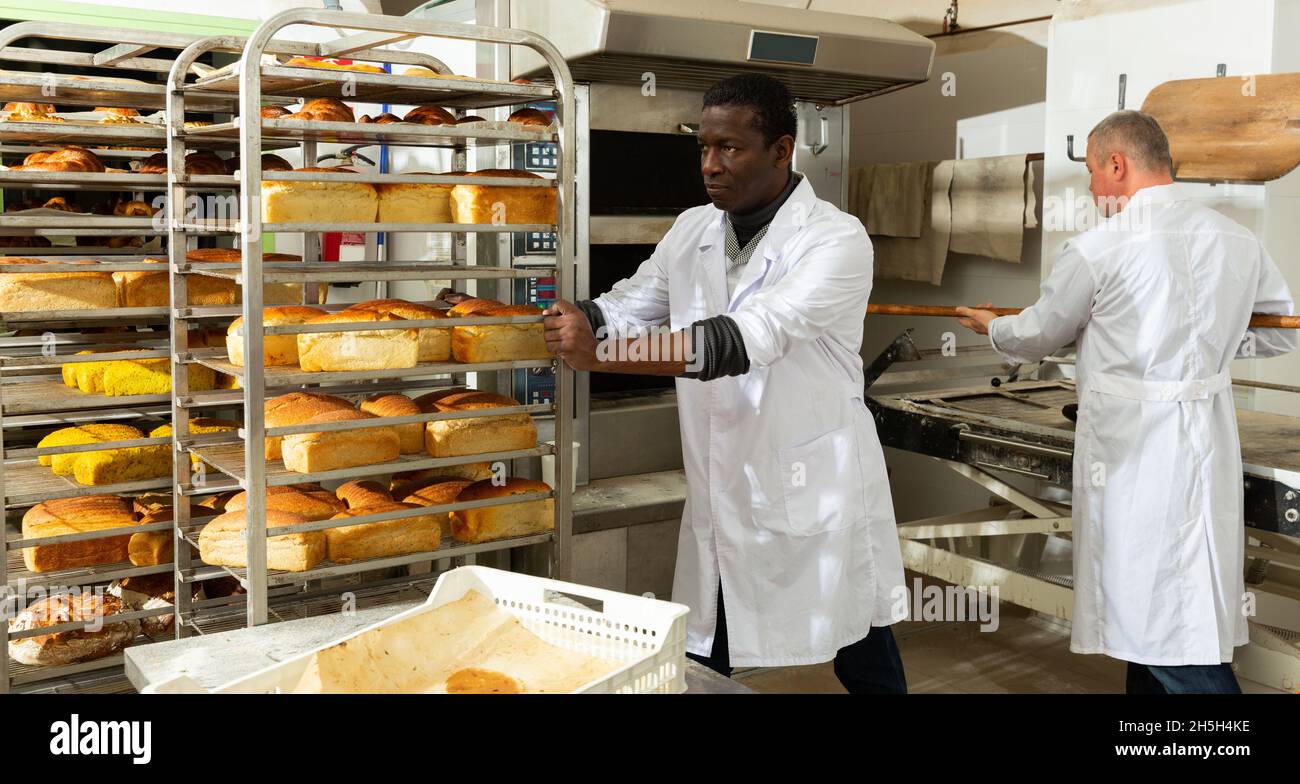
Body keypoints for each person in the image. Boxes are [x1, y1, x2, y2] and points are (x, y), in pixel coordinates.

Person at [543, 73, 908, 693]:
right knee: (704, 645)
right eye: (702, 148)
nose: (710, 165)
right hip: (723, 481)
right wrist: (568, 319)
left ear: (782, 151)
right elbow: (632, 301)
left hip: (812, 484)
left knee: (859, 641)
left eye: (730, 148)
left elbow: (743, 339)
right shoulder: (694, 229)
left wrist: (600, 353)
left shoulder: (835, 239)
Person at [955, 110, 1295, 694]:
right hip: (1200, 440)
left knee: (1159, 622)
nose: (1090, 189)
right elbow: (1281, 330)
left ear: (1118, 164)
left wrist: (994, 326)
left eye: (1091, 172)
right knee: (1164, 611)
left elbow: (1041, 333)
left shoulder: (1098, 248)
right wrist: (1200, 344)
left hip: (1133, 448)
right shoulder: (1235, 239)